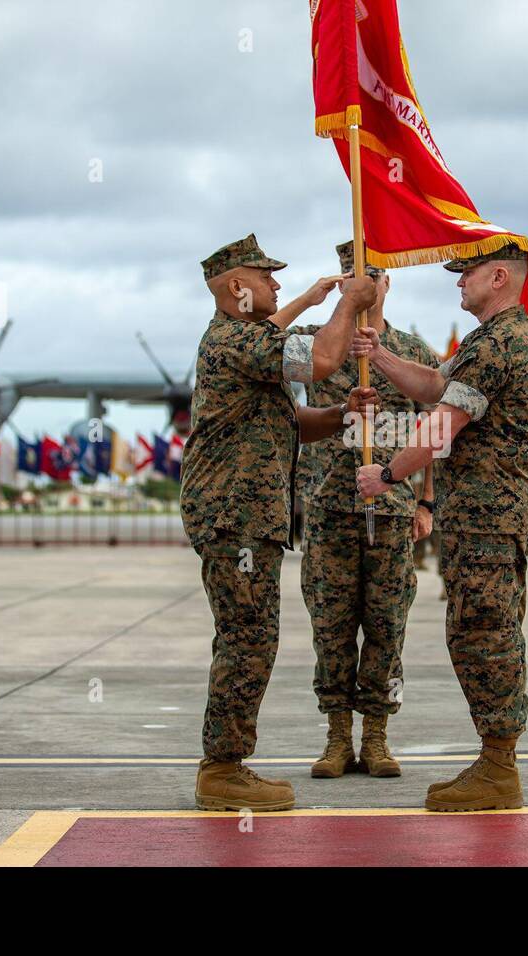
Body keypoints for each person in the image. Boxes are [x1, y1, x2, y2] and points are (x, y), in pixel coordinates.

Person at [180, 233, 377, 812]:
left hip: (248, 517)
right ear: (238, 288)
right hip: (233, 515)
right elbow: (321, 361)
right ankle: (222, 769)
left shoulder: (248, 343)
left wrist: (341, 415)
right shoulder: (236, 340)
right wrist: (347, 303)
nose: (278, 285)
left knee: (251, 637)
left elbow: (295, 423)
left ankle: (226, 763)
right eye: (267, 278)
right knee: (247, 639)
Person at [354, 241, 528, 811]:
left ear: (500, 276)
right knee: (475, 629)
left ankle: (498, 765)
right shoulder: (490, 342)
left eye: (467, 274)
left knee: (485, 633)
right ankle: (494, 758)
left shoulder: (502, 341)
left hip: (490, 515)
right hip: (481, 515)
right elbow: (437, 386)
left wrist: (386, 473)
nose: (459, 282)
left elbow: (441, 426)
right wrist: (381, 356)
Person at [290, 240, 441, 779]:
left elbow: (436, 431)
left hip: (394, 511)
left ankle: (376, 735)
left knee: (387, 625)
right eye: (354, 274)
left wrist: (426, 502)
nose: (367, 283)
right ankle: (337, 738)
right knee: (330, 625)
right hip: (329, 508)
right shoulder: (318, 347)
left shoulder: (412, 350)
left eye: (374, 274)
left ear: (387, 283)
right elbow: (282, 390)